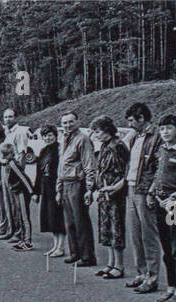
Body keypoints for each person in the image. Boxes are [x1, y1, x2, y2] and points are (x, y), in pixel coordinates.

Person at [147, 114, 176, 302]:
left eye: (169, 128)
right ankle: (171, 287)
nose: (165, 132)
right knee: (166, 247)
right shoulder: (162, 150)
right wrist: (152, 193)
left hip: (174, 206)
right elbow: (157, 175)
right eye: (162, 129)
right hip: (160, 203)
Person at [123, 103, 163, 292]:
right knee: (135, 234)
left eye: (132, 120)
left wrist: (151, 191)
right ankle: (141, 272)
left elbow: (158, 167)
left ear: (141, 118)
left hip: (144, 190)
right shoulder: (134, 136)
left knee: (149, 235)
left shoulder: (155, 135)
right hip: (131, 187)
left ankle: (152, 276)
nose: (130, 124)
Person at [89, 116, 129, 279]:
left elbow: (125, 171)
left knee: (116, 228)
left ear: (107, 130)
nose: (96, 135)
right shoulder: (105, 146)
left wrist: (114, 187)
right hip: (104, 193)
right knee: (106, 228)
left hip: (115, 193)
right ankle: (110, 263)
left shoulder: (118, 146)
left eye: (97, 131)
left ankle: (119, 266)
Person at [56, 111, 97, 267]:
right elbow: (61, 166)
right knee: (70, 222)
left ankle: (87, 256)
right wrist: (58, 189)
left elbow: (89, 165)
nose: (68, 125)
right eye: (65, 122)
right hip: (65, 183)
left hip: (77, 183)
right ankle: (75, 253)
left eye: (71, 122)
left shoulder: (83, 139)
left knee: (81, 221)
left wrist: (89, 188)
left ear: (77, 121)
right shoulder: (64, 139)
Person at [34, 125, 66, 257]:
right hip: (45, 186)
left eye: (50, 135)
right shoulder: (43, 151)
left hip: (55, 186)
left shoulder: (59, 150)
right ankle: (55, 245)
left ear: (55, 135)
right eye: (45, 135)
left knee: (58, 216)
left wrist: (60, 189)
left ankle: (61, 247)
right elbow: (38, 172)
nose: (48, 138)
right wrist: (35, 192)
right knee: (50, 217)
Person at [0, 140, 36, 251]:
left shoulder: (12, 164)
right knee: (19, 214)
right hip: (16, 191)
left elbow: (23, 178)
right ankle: (22, 239)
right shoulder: (7, 163)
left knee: (24, 216)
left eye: (7, 154)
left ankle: (28, 241)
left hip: (22, 191)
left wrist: (31, 192)